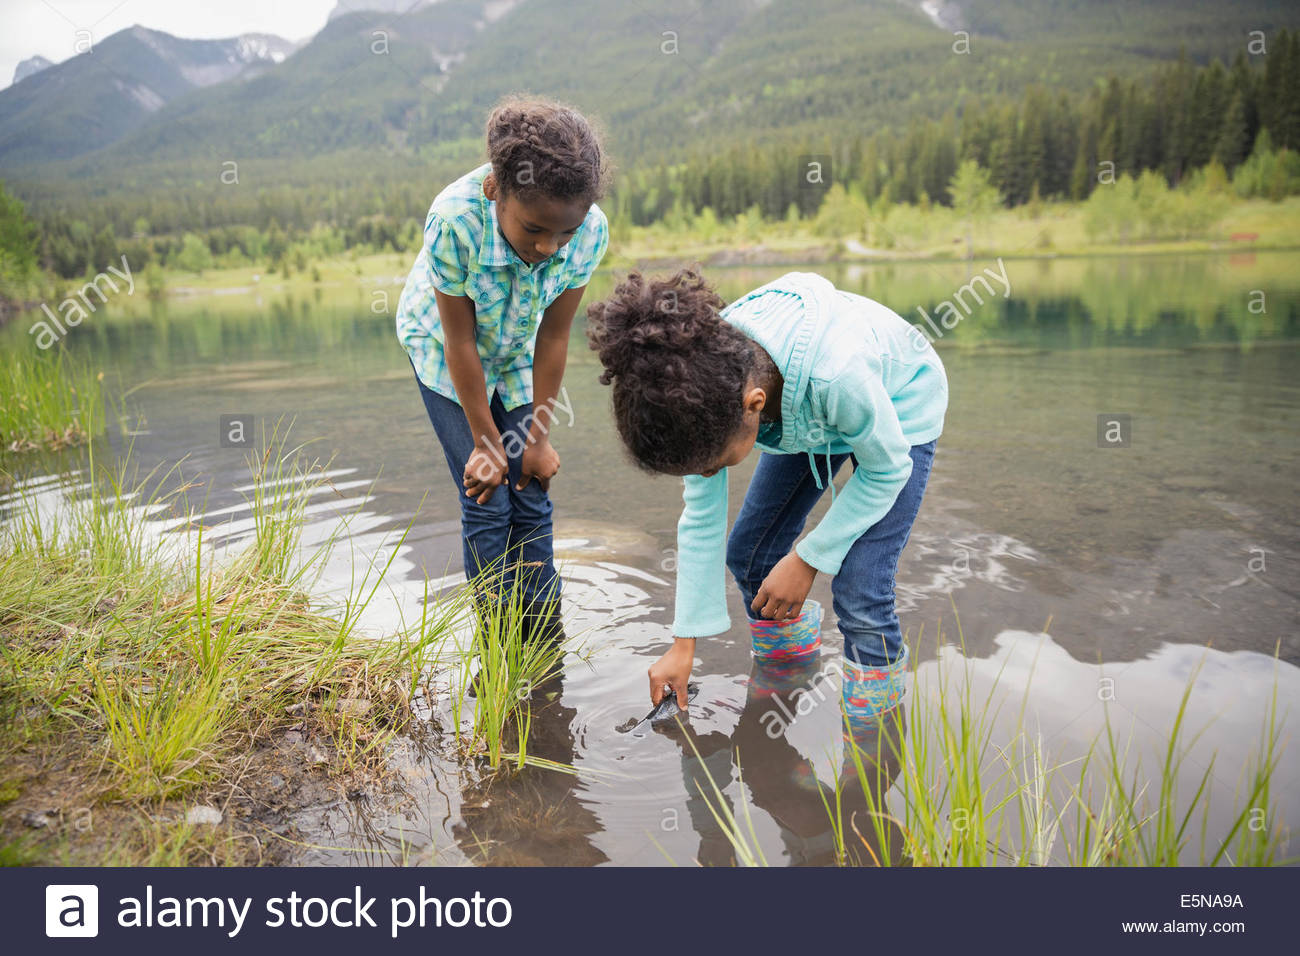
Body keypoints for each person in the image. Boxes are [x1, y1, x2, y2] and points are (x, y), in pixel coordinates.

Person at [586, 267, 947, 728]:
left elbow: (888, 469)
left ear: (753, 406)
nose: (706, 476)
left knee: (860, 587)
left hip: (896, 408)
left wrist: (809, 558)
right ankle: (790, 670)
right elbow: (701, 518)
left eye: (712, 466)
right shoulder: (701, 388)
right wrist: (684, 643)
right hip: (808, 414)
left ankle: (875, 730)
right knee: (751, 555)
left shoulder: (837, 375)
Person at [397, 95, 610, 636]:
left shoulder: (588, 232)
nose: (548, 246)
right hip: (447, 349)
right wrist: (487, 444)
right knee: (487, 494)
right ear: (496, 189)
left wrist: (536, 438)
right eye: (534, 228)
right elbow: (460, 340)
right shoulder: (455, 221)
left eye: (564, 232)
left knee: (530, 491)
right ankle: (497, 649)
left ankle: (542, 644)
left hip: (517, 344)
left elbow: (555, 336)